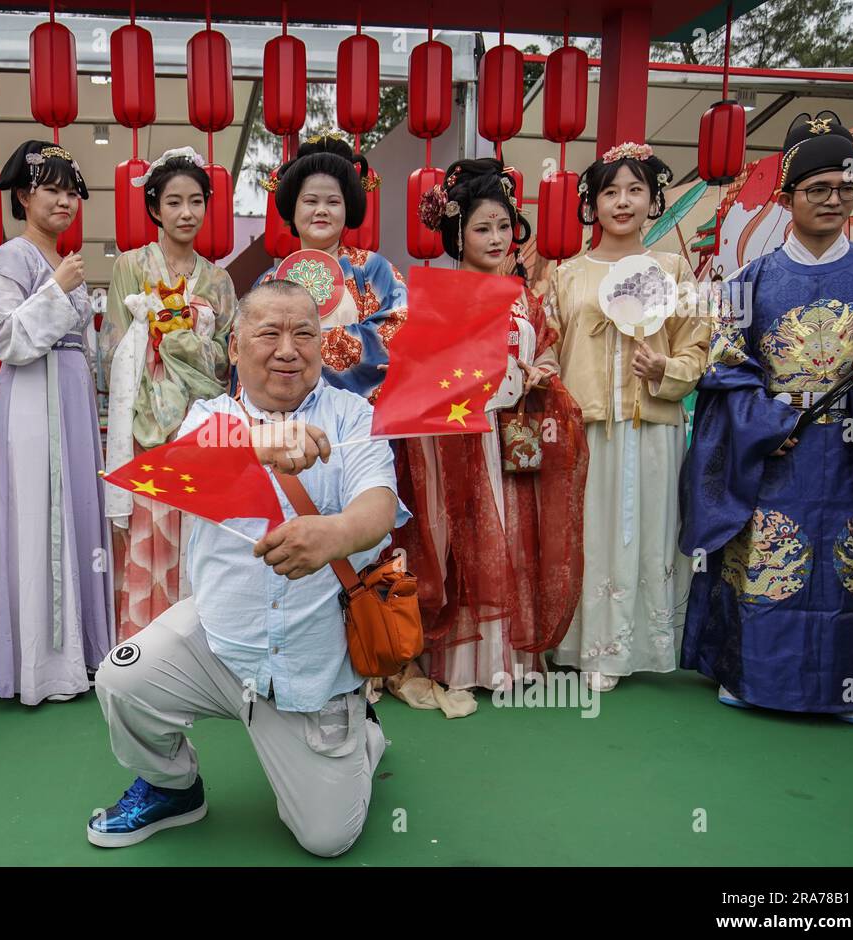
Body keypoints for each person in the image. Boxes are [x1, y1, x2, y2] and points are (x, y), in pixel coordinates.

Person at [87, 280, 409, 857]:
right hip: (217, 644)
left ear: (321, 345)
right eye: (269, 334)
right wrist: (266, 440)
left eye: (304, 334)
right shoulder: (207, 417)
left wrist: (332, 535)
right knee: (119, 680)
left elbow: (378, 508)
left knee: (327, 838)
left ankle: (360, 733)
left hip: (309, 667)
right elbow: (185, 463)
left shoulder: (353, 415)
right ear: (235, 348)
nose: (288, 349)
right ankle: (172, 787)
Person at [681, 111, 853, 725]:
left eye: (845, 187)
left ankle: (848, 690)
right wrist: (762, 426)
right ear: (787, 198)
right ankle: (750, 677)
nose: (833, 200)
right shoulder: (751, 282)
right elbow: (726, 366)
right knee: (768, 566)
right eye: (818, 188)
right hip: (778, 450)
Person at [392, 159, 587, 707]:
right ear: (458, 233)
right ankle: (461, 658)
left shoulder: (527, 296)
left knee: (517, 537)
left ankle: (512, 659)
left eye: (504, 226)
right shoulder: (436, 294)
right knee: (464, 537)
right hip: (459, 438)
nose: (497, 238)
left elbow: (546, 351)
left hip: (514, 434)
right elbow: (418, 372)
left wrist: (538, 373)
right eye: (482, 228)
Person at [546, 143, 709, 691]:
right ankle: (591, 645)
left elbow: (699, 347)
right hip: (586, 424)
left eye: (635, 190)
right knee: (589, 531)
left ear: (653, 199)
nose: (622, 201)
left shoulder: (675, 269)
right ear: (591, 204)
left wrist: (666, 366)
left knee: (647, 528)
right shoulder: (565, 275)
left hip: (652, 425)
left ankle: (643, 643)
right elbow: (550, 347)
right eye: (609, 191)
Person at [0, 140, 115, 705]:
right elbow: (4, 338)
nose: (64, 201)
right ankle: (40, 666)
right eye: (52, 189)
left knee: (77, 510)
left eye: (71, 192)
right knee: (39, 514)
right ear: (23, 195)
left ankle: (84, 655)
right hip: (32, 397)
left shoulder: (68, 265)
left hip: (71, 393)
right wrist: (56, 290)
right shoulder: (9, 258)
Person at [101, 147, 236, 641]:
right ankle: (143, 645)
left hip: (199, 421)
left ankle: (201, 646)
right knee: (149, 530)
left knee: (199, 534)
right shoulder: (131, 268)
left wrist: (184, 341)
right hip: (144, 418)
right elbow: (112, 348)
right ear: (154, 208)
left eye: (196, 201)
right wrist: (155, 344)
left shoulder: (219, 281)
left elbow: (227, 357)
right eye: (174, 202)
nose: (186, 213)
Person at [258, 131, 406, 403]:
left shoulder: (373, 269)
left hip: (359, 423)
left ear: (348, 209)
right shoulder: (270, 281)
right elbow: (249, 348)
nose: (322, 210)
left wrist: (300, 349)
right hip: (285, 421)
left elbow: (396, 331)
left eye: (333, 202)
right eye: (311, 201)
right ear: (292, 209)